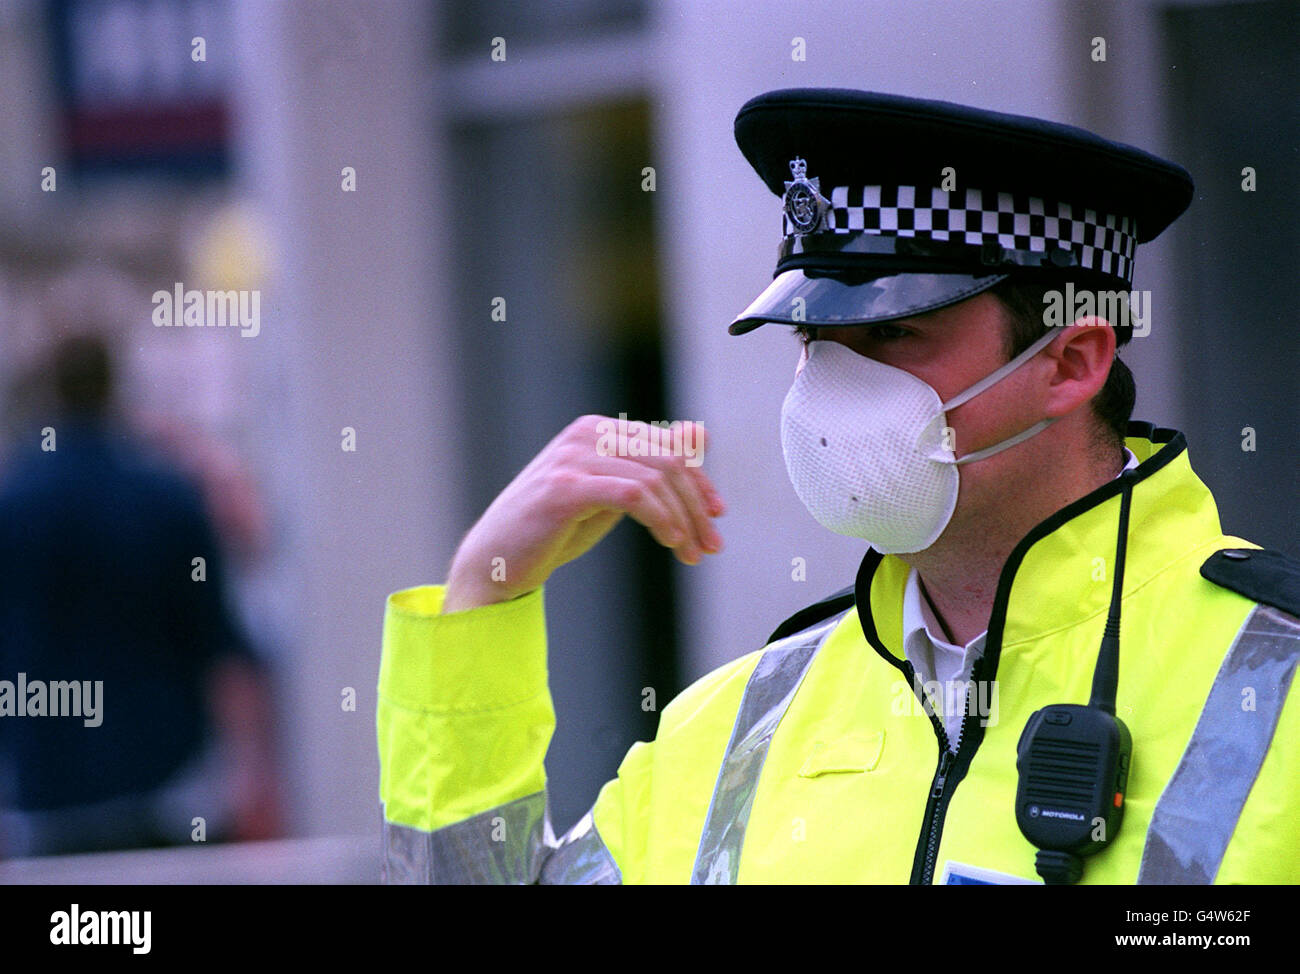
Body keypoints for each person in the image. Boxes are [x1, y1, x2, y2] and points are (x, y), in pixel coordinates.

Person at [376, 89, 1299, 884]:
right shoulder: (740, 722)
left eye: (895, 336)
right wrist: (485, 599)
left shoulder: (1275, 680)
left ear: (1069, 363)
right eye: (816, 340)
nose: (830, 390)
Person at [0, 333, 281, 856]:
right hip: (164, 792)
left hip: (44, 796)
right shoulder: (168, 497)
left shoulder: (12, 503)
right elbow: (220, 644)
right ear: (114, 391)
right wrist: (254, 775)